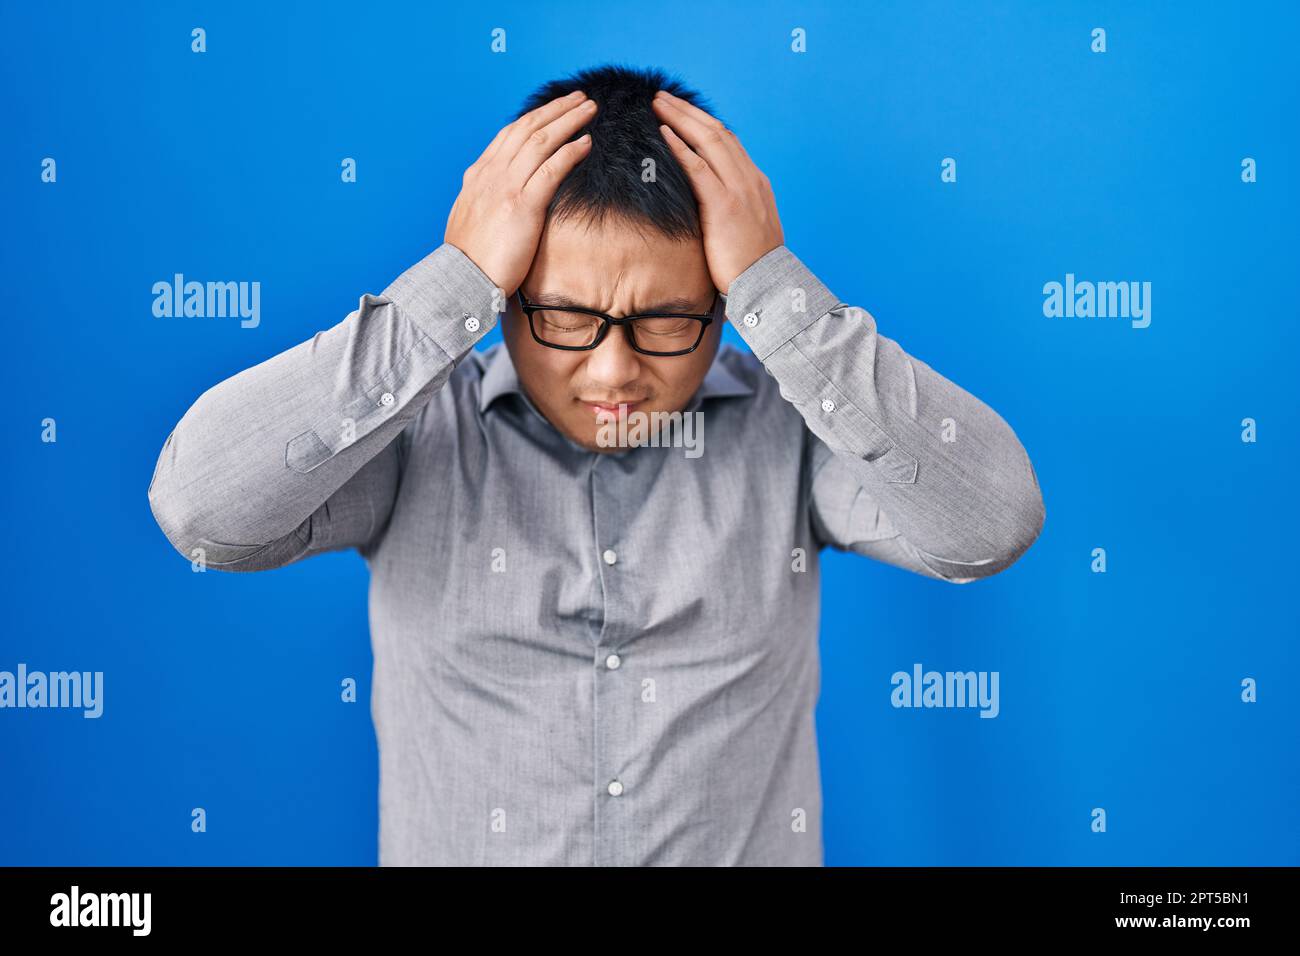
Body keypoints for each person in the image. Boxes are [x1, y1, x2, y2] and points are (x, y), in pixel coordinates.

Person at [147, 64, 1045, 866]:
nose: (614, 372)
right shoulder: (417, 433)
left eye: (666, 322)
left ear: (726, 308)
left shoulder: (796, 429)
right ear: (501, 303)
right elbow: (204, 514)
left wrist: (780, 290)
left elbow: (991, 526)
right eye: (567, 319)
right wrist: (448, 287)